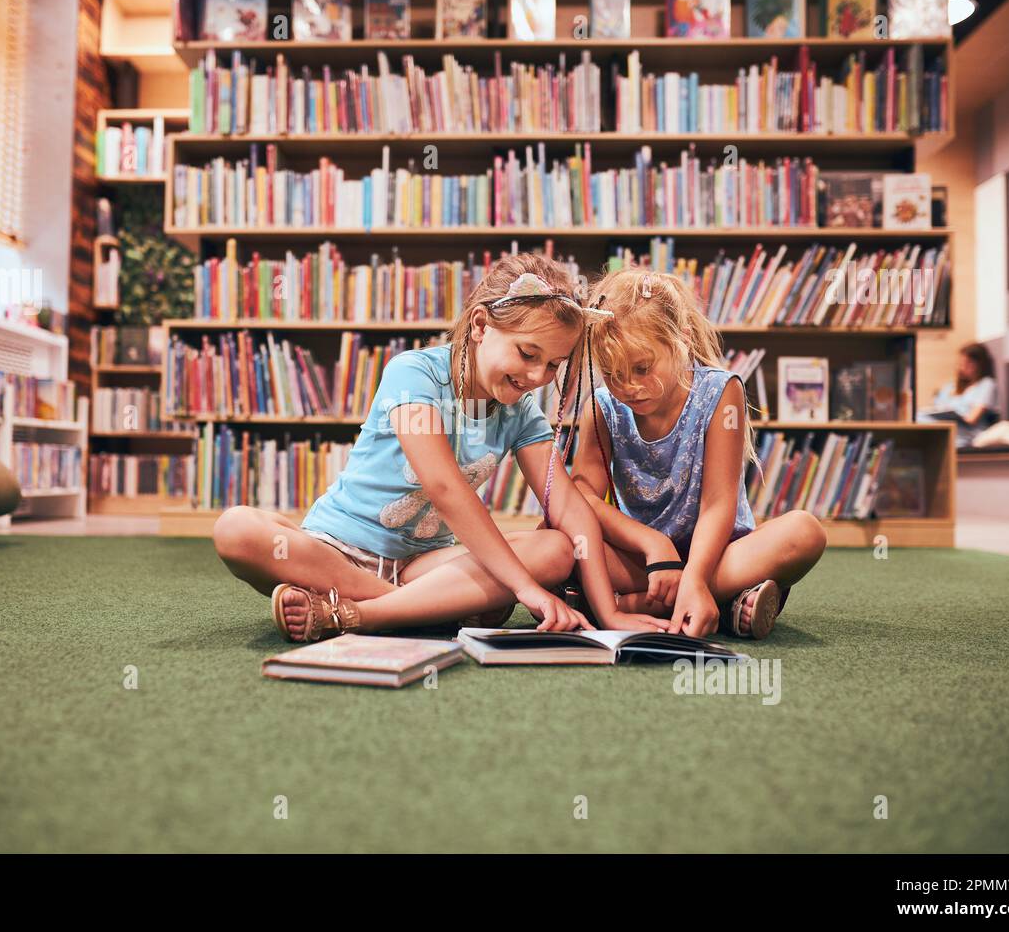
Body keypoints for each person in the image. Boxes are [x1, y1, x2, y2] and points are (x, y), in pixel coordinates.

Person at [213, 253, 665, 643]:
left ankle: (357, 611)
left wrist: (609, 612)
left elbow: (566, 505)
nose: (537, 377)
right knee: (238, 530)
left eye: (553, 365)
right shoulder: (414, 373)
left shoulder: (521, 413)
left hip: (424, 565)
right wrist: (523, 589)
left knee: (555, 551)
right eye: (528, 355)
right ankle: (409, 610)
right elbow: (444, 487)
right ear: (481, 325)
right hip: (339, 552)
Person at [569, 268, 827, 640]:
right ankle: (727, 602)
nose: (629, 387)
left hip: (719, 554)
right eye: (612, 373)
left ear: (683, 341)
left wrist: (694, 576)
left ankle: (636, 603)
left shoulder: (721, 392)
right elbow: (582, 497)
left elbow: (718, 504)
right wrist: (652, 544)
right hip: (645, 562)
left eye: (642, 368)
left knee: (804, 532)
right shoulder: (602, 407)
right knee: (562, 546)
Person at [918, 343, 999, 448]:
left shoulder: (986, 385)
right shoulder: (950, 387)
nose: (962, 367)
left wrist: (953, 416)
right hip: (947, 425)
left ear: (979, 364)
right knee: (918, 416)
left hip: (967, 431)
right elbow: (937, 409)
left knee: (936, 430)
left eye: (968, 363)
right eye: (961, 363)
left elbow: (971, 419)